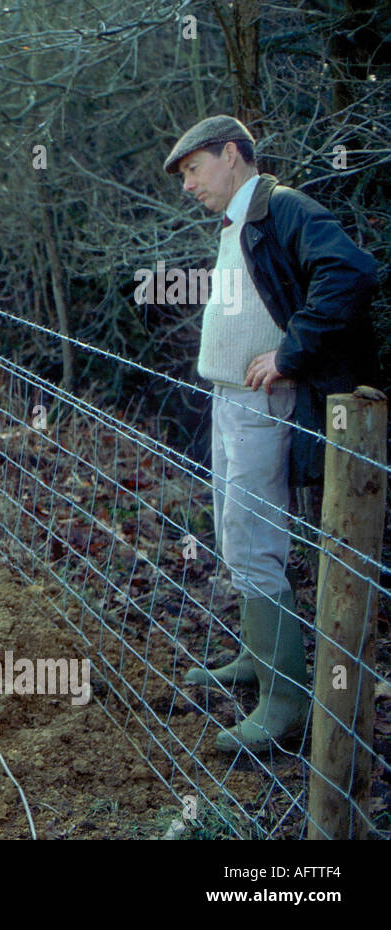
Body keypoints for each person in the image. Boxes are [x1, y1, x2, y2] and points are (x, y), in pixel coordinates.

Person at [164, 115, 382, 753]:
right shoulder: (237, 223)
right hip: (228, 400)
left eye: (193, 169)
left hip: (265, 403)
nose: (187, 185)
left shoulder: (281, 208)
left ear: (231, 155)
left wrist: (292, 351)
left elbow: (351, 271)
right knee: (235, 534)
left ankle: (283, 702)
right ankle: (258, 657)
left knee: (256, 540)